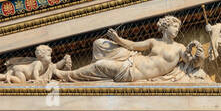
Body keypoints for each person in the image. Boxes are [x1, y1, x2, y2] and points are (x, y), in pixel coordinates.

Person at [59, 17, 208, 83]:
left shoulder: (179, 48)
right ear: (165, 27)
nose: (177, 30)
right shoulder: (153, 41)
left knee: (101, 65)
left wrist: (200, 57)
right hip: (132, 58)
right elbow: (132, 45)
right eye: (174, 26)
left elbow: (192, 62)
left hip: (134, 72)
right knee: (99, 43)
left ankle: (67, 75)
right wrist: (117, 39)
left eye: (178, 27)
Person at [0, 44, 71, 84]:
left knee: (15, 79)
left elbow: (56, 66)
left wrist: (64, 60)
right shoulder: (38, 63)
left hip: (21, 71)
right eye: (48, 56)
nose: (51, 58)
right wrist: (37, 79)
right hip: (20, 70)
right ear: (41, 57)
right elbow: (34, 73)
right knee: (21, 82)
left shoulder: (48, 65)